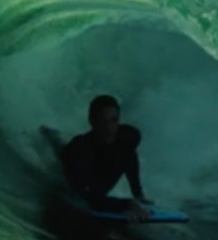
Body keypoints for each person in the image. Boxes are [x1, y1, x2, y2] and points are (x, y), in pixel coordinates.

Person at [53, 93, 154, 222]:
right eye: (103, 121)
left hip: (98, 169)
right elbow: (87, 198)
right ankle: (52, 137)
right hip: (75, 172)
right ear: (92, 121)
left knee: (125, 148)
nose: (109, 128)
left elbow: (130, 156)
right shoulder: (80, 150)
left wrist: (138, 194)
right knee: (60, 151)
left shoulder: (127, 137)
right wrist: (128, 204)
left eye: (114, 120)